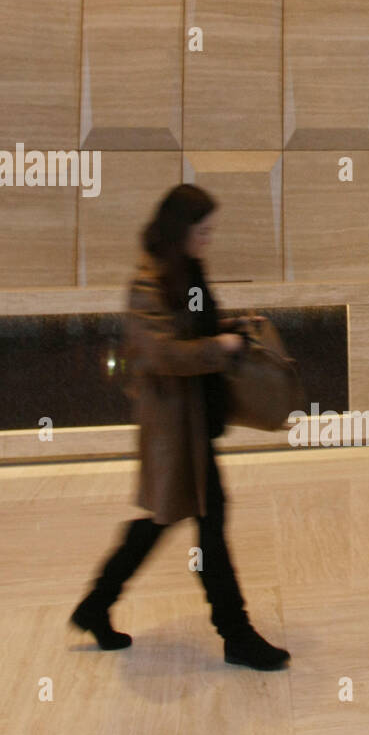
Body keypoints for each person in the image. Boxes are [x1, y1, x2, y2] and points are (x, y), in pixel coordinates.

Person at [70, 183, 290, 670]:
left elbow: (193, 328)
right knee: (205, 525)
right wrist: (220, 349)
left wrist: (229, 329)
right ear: (181, 229)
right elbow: (161, 353)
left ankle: (95, 605)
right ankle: (236, 634)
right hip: (173, 428)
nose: (209, 238)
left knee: (162, 521)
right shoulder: (147, 283)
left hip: (196, 420)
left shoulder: (188, 273)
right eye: (203, 230)